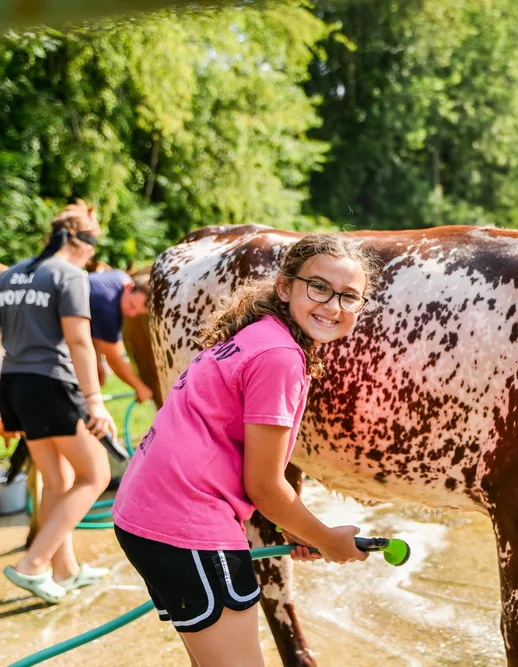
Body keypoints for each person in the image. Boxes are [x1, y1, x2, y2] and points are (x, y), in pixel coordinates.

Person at [112, 234, 378, 666]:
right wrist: (328, 540)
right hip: (185, 525)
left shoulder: (262, 334)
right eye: (319, 288)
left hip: (149, 512)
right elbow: (265, 486)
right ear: (285, 287)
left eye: (349, 297)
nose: (333, 306)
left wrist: (299, 530)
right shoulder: (280, 357)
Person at [0, 201, 117, 604]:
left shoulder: (11, 274)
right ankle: (32, 565)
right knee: (95, 474)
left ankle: (65, 570)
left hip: (14, 384)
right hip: (51, 384)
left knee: (58, 479)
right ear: (80, 241)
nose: (93, 252)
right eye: (94, 243)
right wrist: (95, 400)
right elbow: (80, 341)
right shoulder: (70, 275)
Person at [88, 269, 153, 402]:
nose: (131, 314)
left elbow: (94, 323)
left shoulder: (120, 277)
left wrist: (97, 361)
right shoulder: (107, 308)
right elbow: (115, 360)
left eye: (138, 313)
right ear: (130, 287)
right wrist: (140, 388)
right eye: (132, 306)